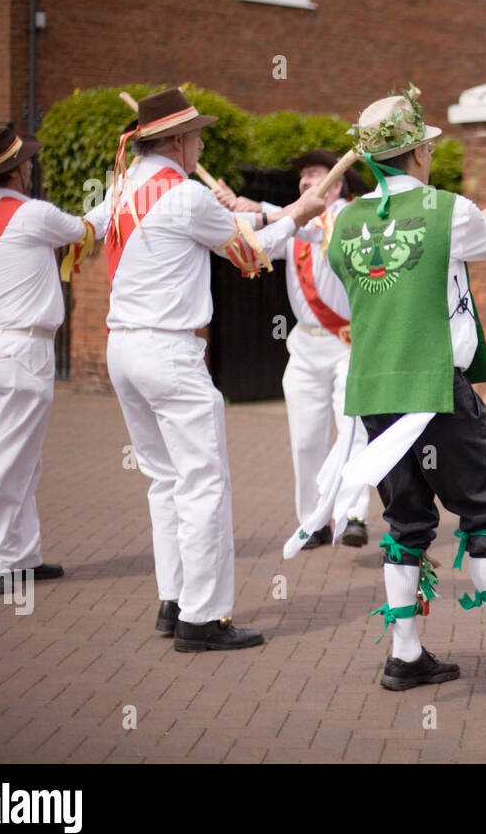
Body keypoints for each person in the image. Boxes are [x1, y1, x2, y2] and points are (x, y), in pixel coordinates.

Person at [327, 85, 486, 690]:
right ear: (416, 154)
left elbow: (351, 287)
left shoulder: (345, 221)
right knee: (485, 513)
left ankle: (405, 656)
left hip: (375, 395)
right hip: (438, 387)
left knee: (406, 522)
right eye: (426, 149)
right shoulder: (447, 210)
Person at [86, 87, 326, 651]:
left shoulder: (123, 185)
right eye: (195, 135)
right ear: (175, 140)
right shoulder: (183, 195)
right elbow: (249, 249)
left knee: (164, 479)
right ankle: (203, 617)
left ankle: (175, 600)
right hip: (170, 352)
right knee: (203, 483)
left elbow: (86, 229)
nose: (201, 144)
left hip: (122, 347)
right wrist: (296, 215)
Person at [0, 125, 97, 586]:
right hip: (22, 350)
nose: (31, 166)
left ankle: (20, 556)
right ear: (15, 171)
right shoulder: (33, 214)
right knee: (10, 456)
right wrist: (122, 196)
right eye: (27, 161)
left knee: (20, 455)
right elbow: (85, 230)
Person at [215, 150, 372, 550]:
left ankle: (352, 514)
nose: (304, 181)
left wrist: (260, 207)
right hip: (304, 344)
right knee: (306, 438)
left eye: (313, 175)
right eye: (302, 176)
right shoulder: (297, 223)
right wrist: (234, 211)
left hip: (348, 343)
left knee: (350, 427)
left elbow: (316, 226)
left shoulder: (353, 218)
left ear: (335, 184)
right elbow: (265, 237)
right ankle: (313, 521)